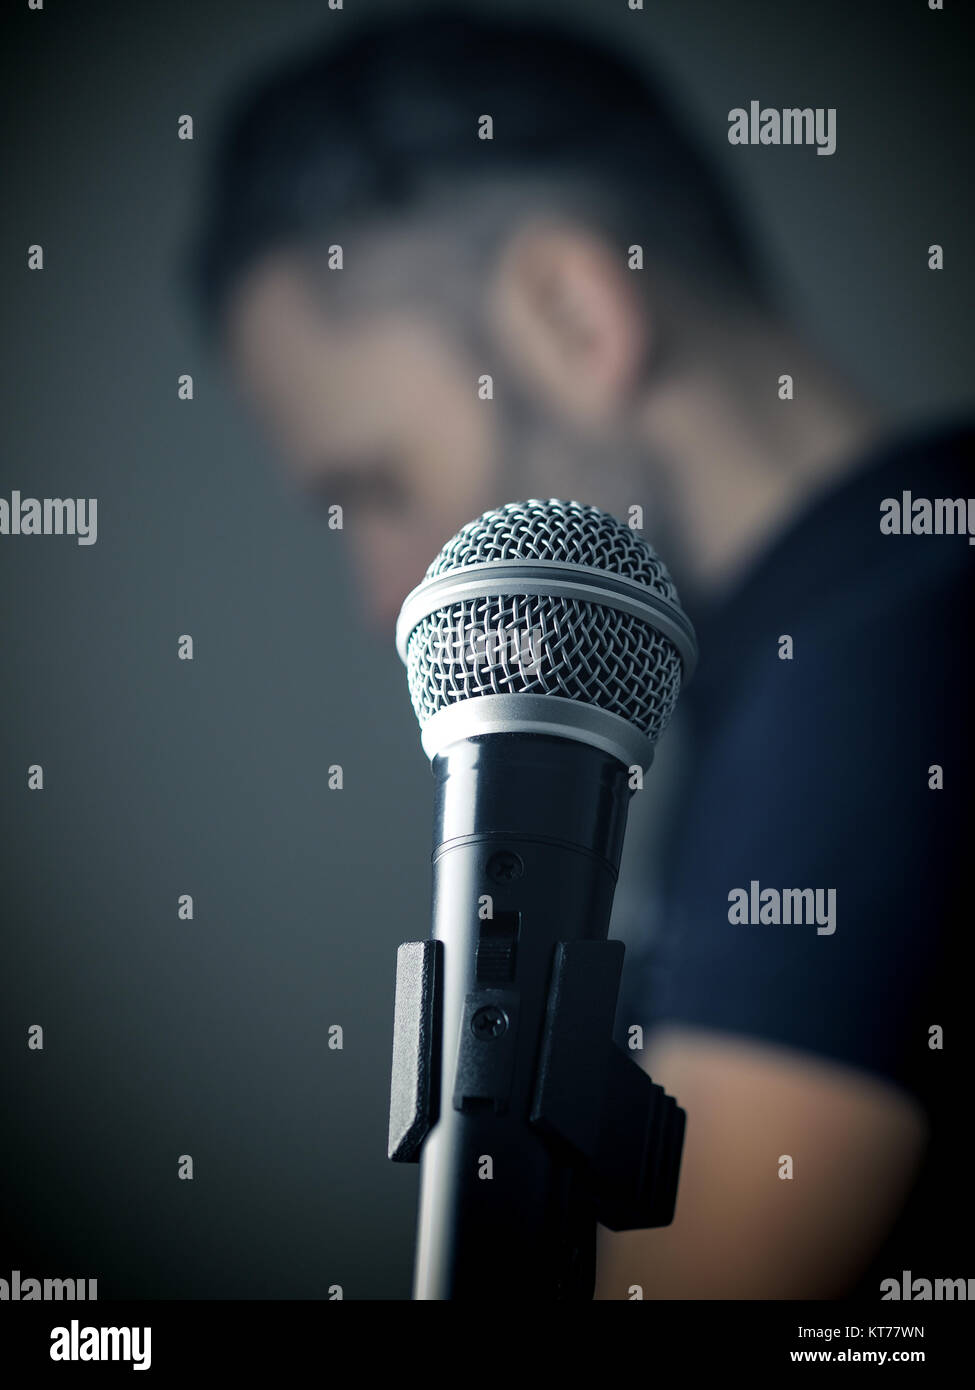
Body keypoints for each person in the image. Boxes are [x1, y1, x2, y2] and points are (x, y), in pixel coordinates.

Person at [191, 9, 974, 1298]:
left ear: (570, 315)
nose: (386, 594)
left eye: (376, 485)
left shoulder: (880, 684)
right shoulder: (841, 653)